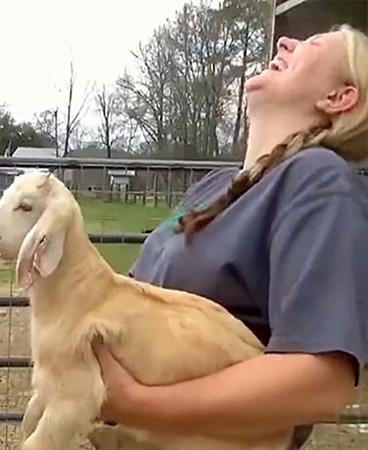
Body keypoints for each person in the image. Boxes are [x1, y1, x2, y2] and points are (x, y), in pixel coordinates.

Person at [92, 25, 368, 449]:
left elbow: (320, 381)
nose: (284, 42)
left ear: (338, 97)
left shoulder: (318, 182)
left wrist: (138, 404)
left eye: (311, 44)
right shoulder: (212, 187)